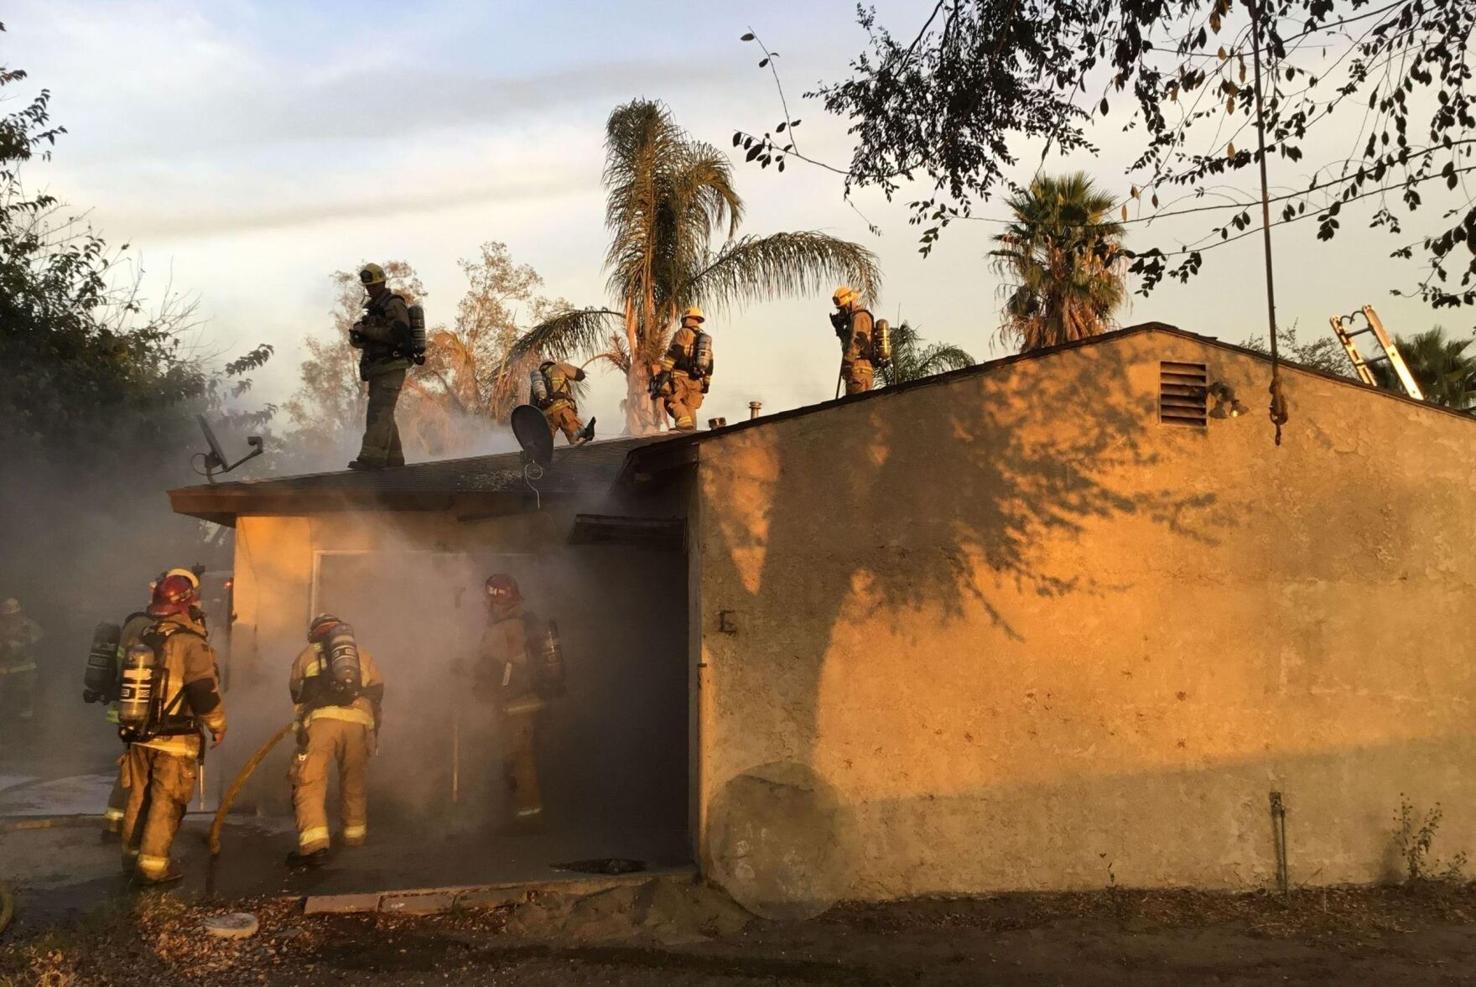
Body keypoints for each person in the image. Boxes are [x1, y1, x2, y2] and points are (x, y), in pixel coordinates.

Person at [119, 574, 226, 884]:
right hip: (174, 740)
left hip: (140, 736)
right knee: (166, 801)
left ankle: (131, 860)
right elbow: (204, 690)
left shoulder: (146, 635)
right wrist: (218, 725)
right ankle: (153, 870)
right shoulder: (190, 642)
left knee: (138, 799)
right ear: (187, 603)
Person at [102, 568, 202, 842]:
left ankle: (117, 825)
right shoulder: (157, 630)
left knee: (133, 772)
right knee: (139, 778)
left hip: (131, 707)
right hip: (149, 713)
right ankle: (127, 830)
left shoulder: (139, 624)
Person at [287, 613, 384, 867]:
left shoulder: (307, 655)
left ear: (315, 633)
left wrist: (302, 731)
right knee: (354, 780)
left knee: (310, 781)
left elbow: (296, 693)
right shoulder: (363, 655)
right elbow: (377, 693)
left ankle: (315, 846)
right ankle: (354, 836)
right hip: (359, 724)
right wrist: (374, 732)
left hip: (321, 724)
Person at [474, 574, 564, 828]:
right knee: (525, 759)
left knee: (519, 761)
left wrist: (464, 671)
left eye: (487, 599)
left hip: (515, 705)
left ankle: (528, 821)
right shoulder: (526, 622)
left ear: (494, 600)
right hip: (532, 701)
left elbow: (489, 668)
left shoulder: (501, 628)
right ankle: (526, 814)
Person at [347, 262, 413, 471]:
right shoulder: (375, 308)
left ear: (383, 282)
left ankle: (371, 459)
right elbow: (369, 340)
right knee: (384, 412)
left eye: (374, 286)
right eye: (368, 286)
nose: (370, 289)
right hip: (378, 369)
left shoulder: (393, 305)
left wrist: (367, 331)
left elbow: (397, 334)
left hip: (391, 367)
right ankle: (394, 459)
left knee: (378, 412)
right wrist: (359, 335)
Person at [652, 307, 714, 431]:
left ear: (685, 319)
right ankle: (691, 434)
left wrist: (664, 373)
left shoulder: (683, 333)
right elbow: (710, 365)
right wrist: (706, 384)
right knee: (690, 406)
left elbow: (675, 353)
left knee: (671, 400)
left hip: (680, 379)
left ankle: (685, 427)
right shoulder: (705, 340)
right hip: (696, 382)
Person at [0, 597, 44, 724]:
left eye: (12, 614)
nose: (10, 617)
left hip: (25, 667)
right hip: (4, 667)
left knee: (25, 693)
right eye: (7, 615)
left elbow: (36, 639)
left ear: (18, 613)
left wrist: (18, 643)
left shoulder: (28, 625)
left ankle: (26, 722)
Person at [534, 360, 596, 446]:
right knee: (579, 440)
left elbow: (533, 407)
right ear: (551, 364)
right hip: (563, 410)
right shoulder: (558, 367)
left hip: (547, 417)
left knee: (544, 445)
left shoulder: (536, 383)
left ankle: (535, 455)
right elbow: (580, 375)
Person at [831, 285, 876, 395]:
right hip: (855, 370)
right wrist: (839, 329)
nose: (841, 312)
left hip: (859, 370)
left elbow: (857, 341)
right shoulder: (853, 319)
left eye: (842, 308)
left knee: (857, 406)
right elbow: (848, 342)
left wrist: (847, 362)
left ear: (850, 303)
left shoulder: (860, 317)